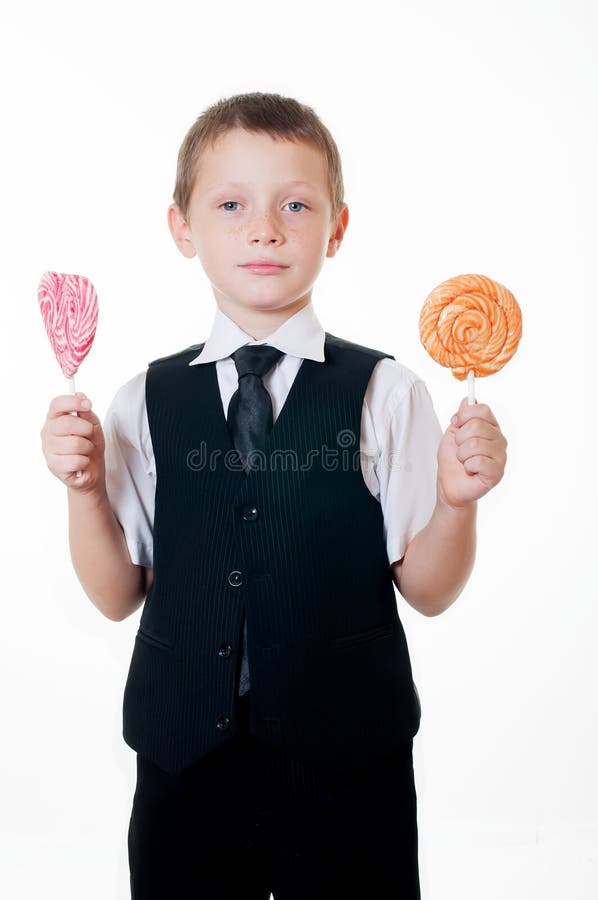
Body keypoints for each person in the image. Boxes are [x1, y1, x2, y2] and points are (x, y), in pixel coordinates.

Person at [40, 91, 508, 899]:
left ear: (337, 228)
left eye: (296, 204)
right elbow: (117, 595)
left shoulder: (386, 394)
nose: (265, 228)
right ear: (181, 228)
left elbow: (428, 591)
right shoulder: (136, 402)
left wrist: (457, 500)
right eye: (231, 205)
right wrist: (82, 489)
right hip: (184, 756)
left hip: (349, 765)